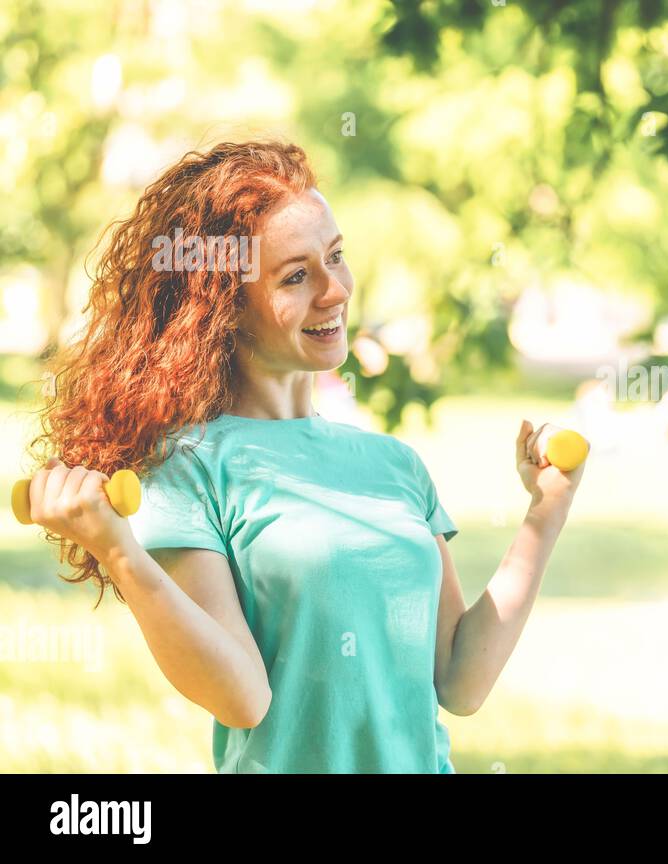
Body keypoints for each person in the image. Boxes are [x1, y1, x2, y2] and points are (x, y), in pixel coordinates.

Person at [22, 140, 584, 773]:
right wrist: (121, 554)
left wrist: (546, 513)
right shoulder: (190, 470)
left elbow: (460, 680)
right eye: (296, 276)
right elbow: (242, 697)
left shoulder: (395, 466)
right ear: (222, 307)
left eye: (336, 258)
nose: (335, 290)